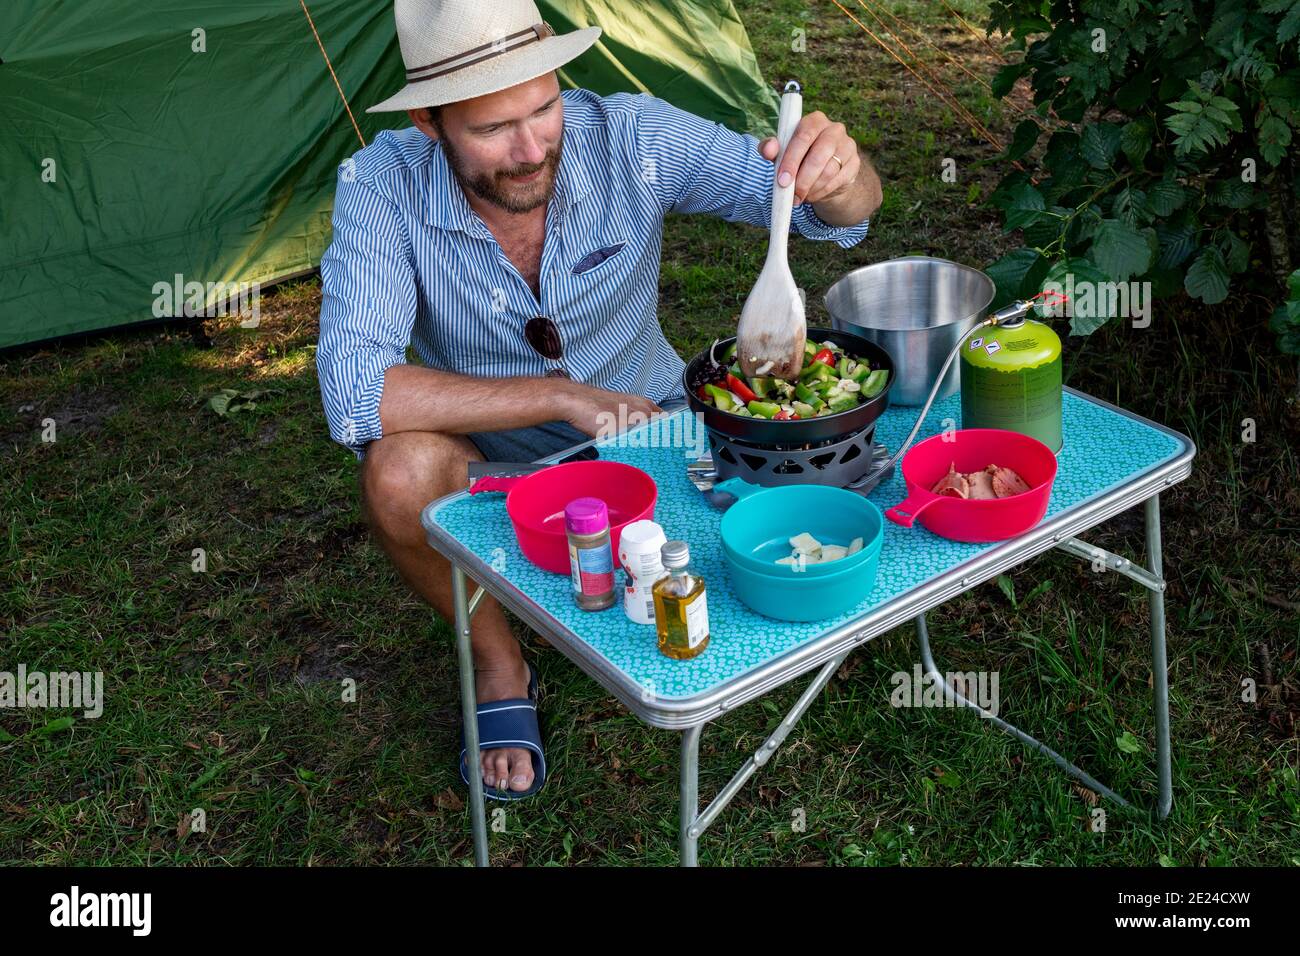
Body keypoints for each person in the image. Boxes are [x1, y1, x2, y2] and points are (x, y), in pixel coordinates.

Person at [315, 0, 883, 799]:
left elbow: (830, 217)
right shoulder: (381, 185)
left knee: (772, 530)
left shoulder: (632, 137)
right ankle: (497, 662)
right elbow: (354, 390)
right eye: (490, 129)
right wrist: (561, 396)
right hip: (493, 464)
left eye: (544, 107)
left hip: (655, 431)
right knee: (398, 475)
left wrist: (842, 177)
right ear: (427, 121)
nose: (529, 148)